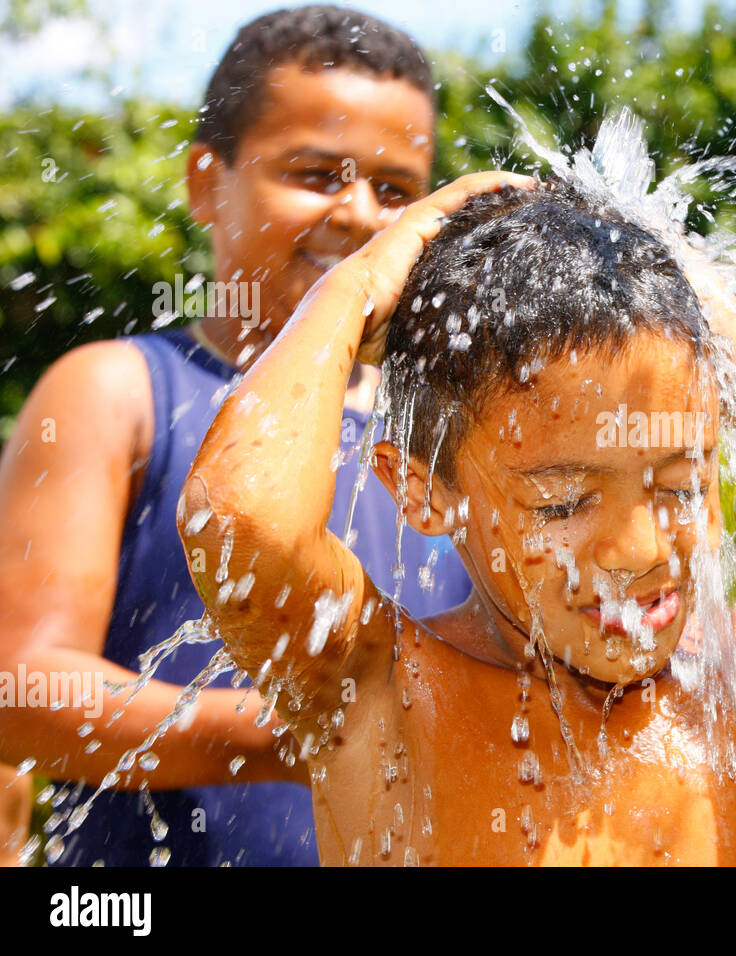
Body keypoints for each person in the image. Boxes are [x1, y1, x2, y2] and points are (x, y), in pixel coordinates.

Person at [178, 176, 736, 866]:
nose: (638, 552)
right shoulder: (375, 693)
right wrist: (357, 286)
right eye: (566, 503)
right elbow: (240, 523)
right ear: (420, 491)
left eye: (678, 485)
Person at [0, 5, 471, 866]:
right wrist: (302, 731)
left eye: (398, 189)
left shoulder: (451, 435)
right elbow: (21, 692)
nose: (361, 214)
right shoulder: (119, 392)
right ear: (204, 183)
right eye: (316, 173)